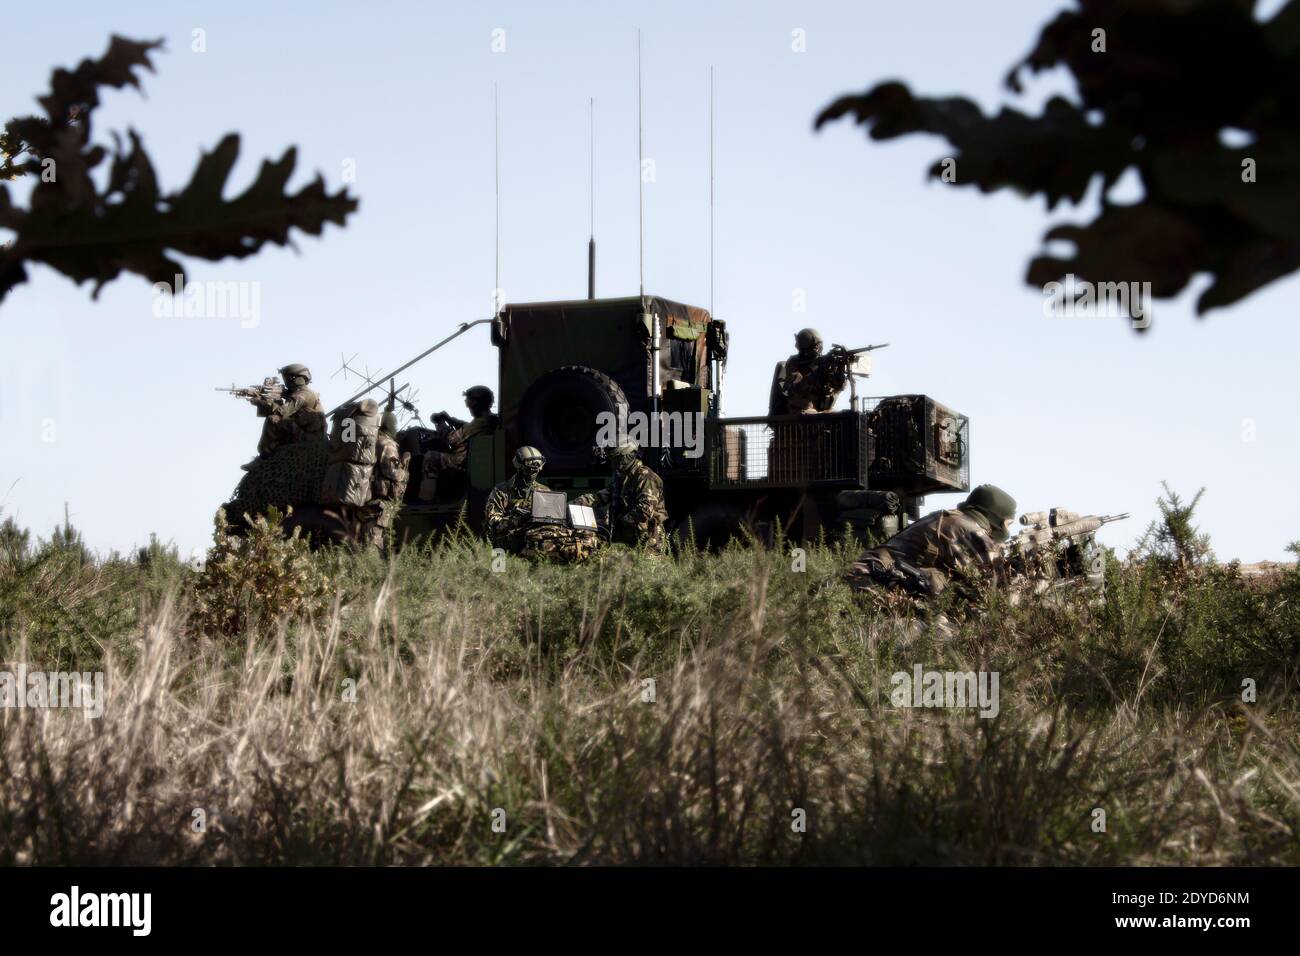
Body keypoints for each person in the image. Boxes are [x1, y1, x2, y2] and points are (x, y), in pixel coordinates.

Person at [844, 484, 1017, 599]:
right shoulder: (969, 530)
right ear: (995, 519)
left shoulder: (950, 518)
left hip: (862, 579)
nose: (1008, 530)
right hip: (871, 585)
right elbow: (996, 590)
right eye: (1009, 524)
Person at [573, 440, 668, 553]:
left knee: (649, 569)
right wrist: (577, 502)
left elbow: (645, 510)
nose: (612, 462)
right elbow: (601, 497)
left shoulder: (646, 477)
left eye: (615, 458)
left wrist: (620, 521)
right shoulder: (622, 478)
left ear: (626, 457)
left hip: (647, 535)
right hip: (628, 533)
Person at [418, 385, 500, 500]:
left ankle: (425, 499)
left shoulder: (482, 421)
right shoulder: (491, 419)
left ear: (476, 404)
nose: (468, 407)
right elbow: (467, 427)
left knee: (430, 457)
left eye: (469, 403)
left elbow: (451, 439)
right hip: (477, 463)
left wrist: (440, 423)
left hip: (464, 463)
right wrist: (450, 420)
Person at [249, 363, 326, 463]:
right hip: (308, 433)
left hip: (311, 437)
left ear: (295, 379)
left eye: (286, 378)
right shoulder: (304, 393)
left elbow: (283, 412)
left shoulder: (303, 394)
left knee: (273, 419)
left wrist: (263, 402)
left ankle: (265, 455)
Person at [483, 446, 551, 553]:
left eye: (536, 469)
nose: (532, 473)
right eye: (529, 469)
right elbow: (493, 521)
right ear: (520, 467)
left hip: (534, 542)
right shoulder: (501, 491)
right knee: (498, 569)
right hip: (504, 544)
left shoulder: (544, 491)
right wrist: (517, 520)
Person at [360, 409, 411, 550]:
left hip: (367, 496)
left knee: (370, 538)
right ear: (390, 426)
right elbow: (391, 472)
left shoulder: (371, 440)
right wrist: (406, 470)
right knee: (374, 542)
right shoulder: (387, 444)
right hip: (379, 500)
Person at [768, 329, 845, 415]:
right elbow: (797, 388)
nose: (818, 349)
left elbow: (838, 387)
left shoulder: (822, 364)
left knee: (846, 418)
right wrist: (816, 369)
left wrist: (839, 370)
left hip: (819, 410)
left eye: (819, 346)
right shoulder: (794, 363)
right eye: (815, 347)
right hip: (799, 412)